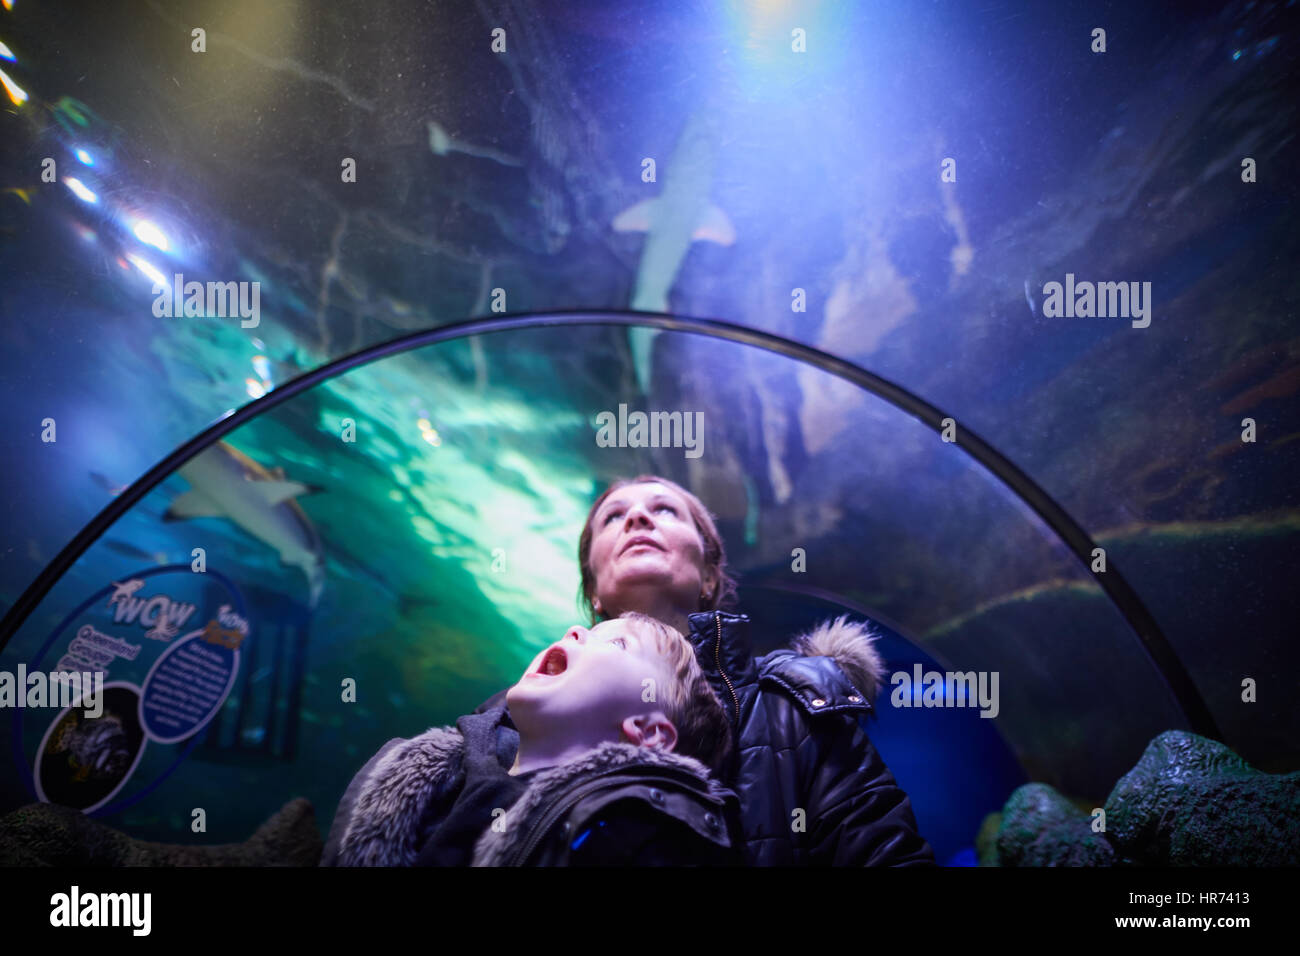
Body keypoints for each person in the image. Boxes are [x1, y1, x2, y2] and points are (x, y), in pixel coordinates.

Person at [474, 475, 937, 866]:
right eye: (613, 517)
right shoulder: (504, 719)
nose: (636, 519)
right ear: (592, 587)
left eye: (666, 511)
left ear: (710, 574)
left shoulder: (793, 702)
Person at [321, 612, 744, 866]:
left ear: (647, 733)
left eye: (616, 642)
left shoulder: (636, 836)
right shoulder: (436, 781)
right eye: (588, 630)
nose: (576, 629)